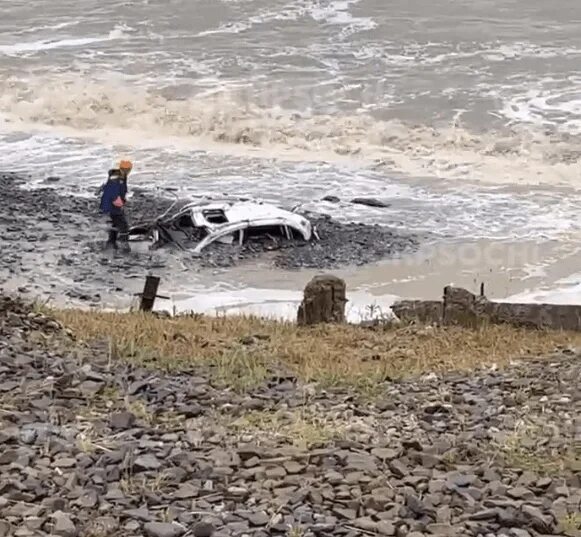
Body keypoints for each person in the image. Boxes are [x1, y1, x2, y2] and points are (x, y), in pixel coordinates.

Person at [99, 168, 130, 252]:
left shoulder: (110, 184)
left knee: (114, 224)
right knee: (124, 227)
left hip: (110, 209)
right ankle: (124, 244)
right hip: (114, 210)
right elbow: (117, 200)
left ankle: (111, 242)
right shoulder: (114, 186)